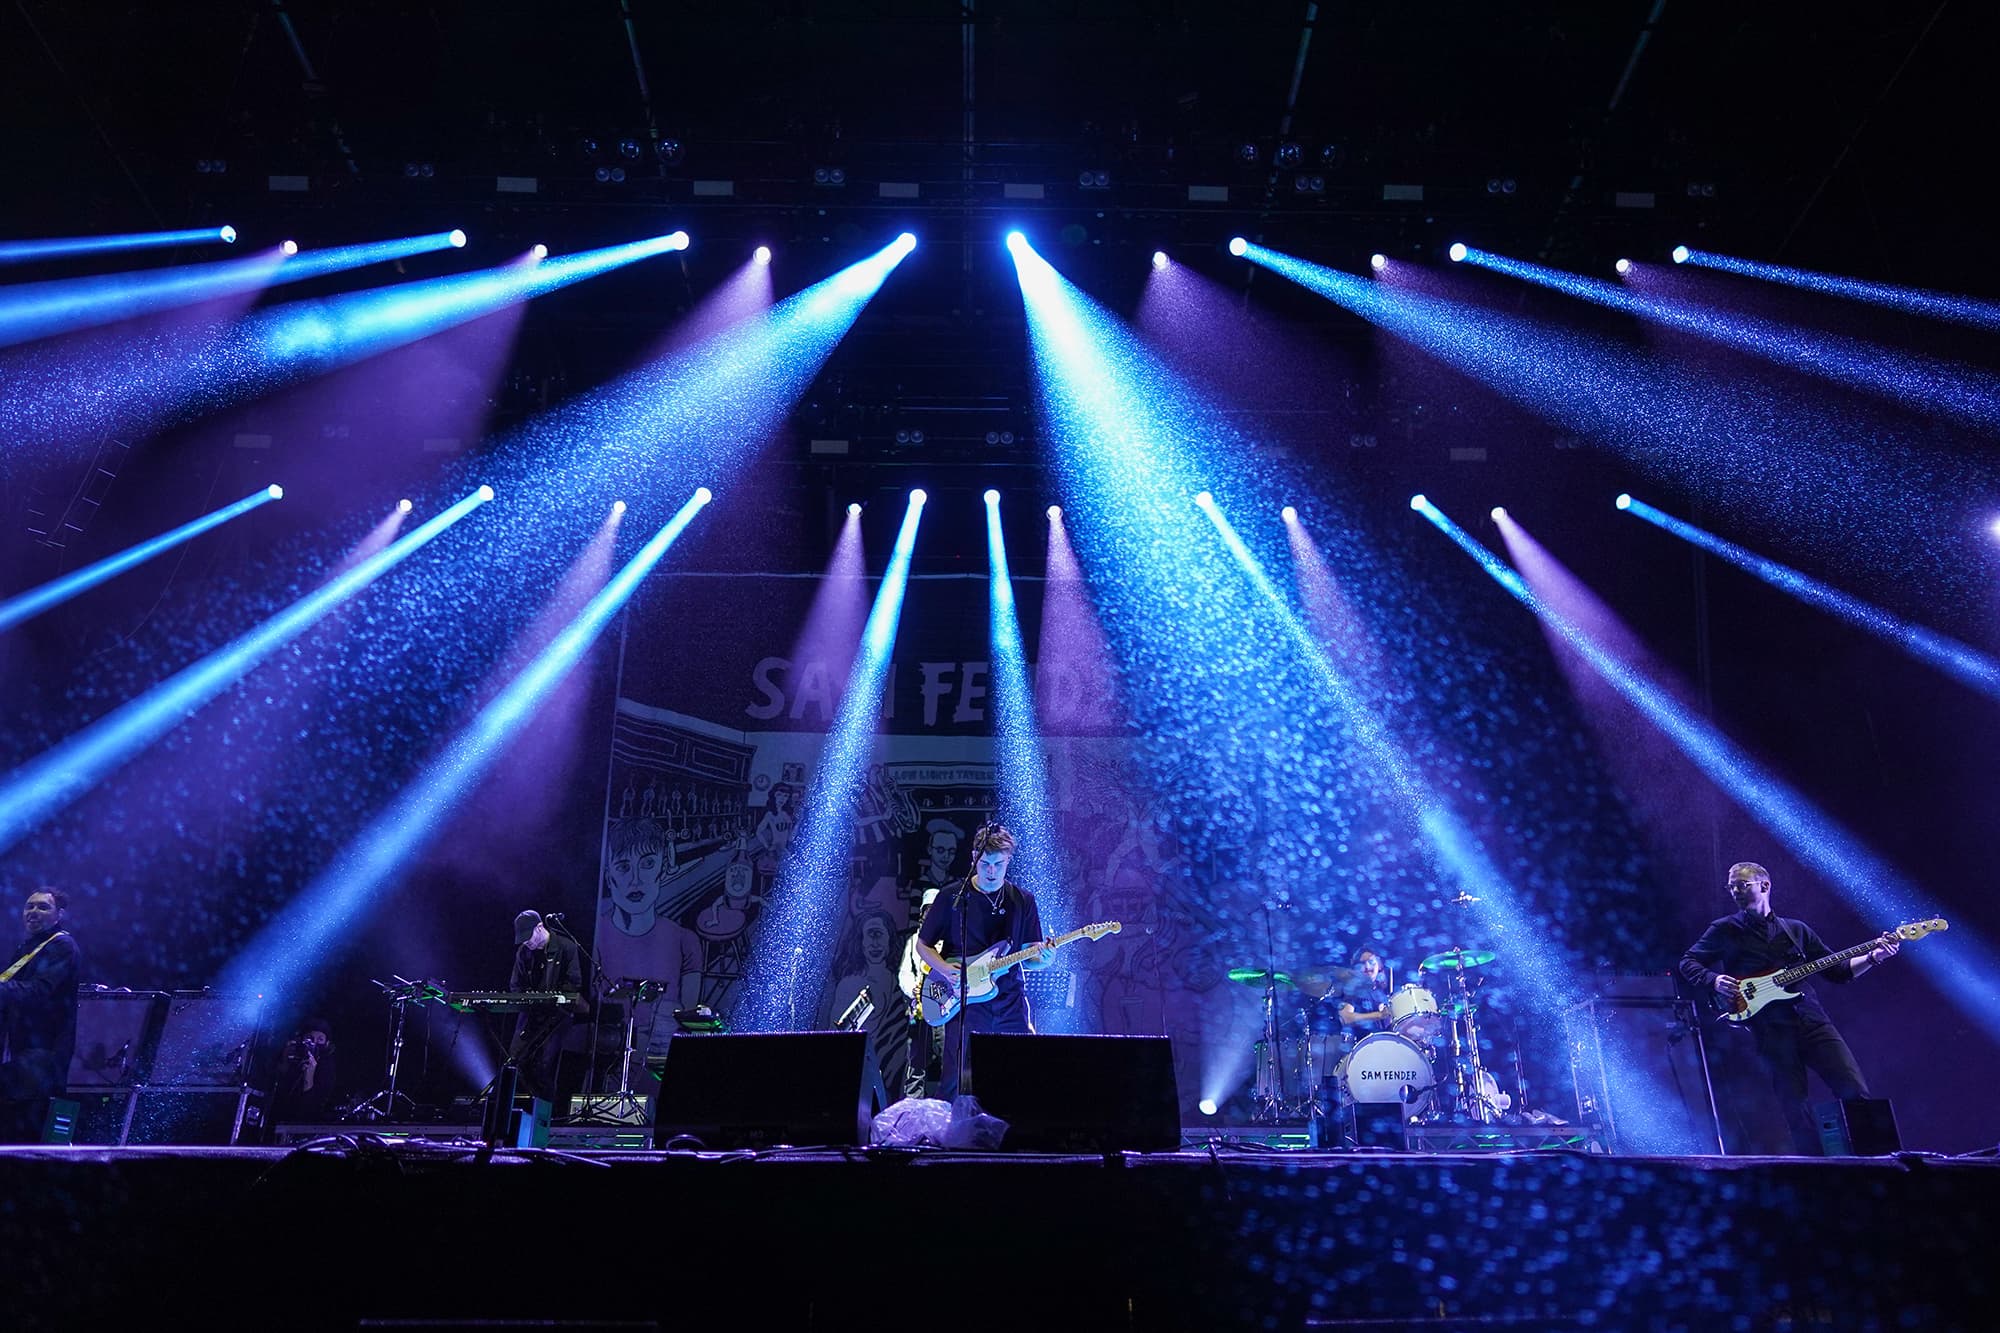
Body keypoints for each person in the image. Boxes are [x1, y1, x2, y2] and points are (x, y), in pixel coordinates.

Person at [1678, 861, 1898, 1155]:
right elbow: (1688, 962)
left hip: (1812, 1020)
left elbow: (1838, 971)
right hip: (1771, 1030)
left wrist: (1874, 956)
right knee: (1795, 1108)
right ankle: (1815, 1173)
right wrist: (1714, 979)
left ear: (1764, 886)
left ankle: (1874, 1164)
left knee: (1854, 1090)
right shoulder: (1725, 930)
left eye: (1741, 885)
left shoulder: (1796, 930)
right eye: (1731, 887)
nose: (1734, 892)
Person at [909, 824, 1053, 1100]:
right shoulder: (953, 896)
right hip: (965, 1001)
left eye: (998, 864)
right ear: (974, 856)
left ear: (1009, 860)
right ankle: (951, 1136)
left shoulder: (1022, 901)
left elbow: (1030, 957)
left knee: (1018, 1070)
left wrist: (1045, 958)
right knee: (955, 1076)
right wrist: (942, 968)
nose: (991, 871)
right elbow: (922, 945)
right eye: (984, 863)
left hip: (1009, 1000)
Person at [0, 888, 82, 1144]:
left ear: (60, 914)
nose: (33, 912)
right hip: (22, 1050)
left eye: (43, 907)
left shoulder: (61, 945)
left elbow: (39, 990)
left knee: (30, 1133)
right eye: (29, 906)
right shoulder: (28, 947)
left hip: (42, 1052)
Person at [507, 909, 588, 1103]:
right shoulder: (524, 952)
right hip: (531, 1013)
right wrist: (527, 999)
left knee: (545, 1063)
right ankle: (534, 1104)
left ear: (540, 927)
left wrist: (552, 997)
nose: (527, 942)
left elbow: (574, 982)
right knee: (516, 1059)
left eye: (529, 937)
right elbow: (515, 984)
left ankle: (547, 1110)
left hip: (558, 1014)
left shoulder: (566, 947)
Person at [267, 1017, 339, 1128]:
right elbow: (274, 1087)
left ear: (327, 1043)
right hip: (275, 1122)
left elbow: (311, 1109)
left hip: (304, 1127)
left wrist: (309, 1076)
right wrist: (285, 1059)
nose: (313, 1044)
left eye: (320, 1039)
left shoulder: (327, 1066)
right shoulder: (294, 1055)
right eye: (309, 1039)